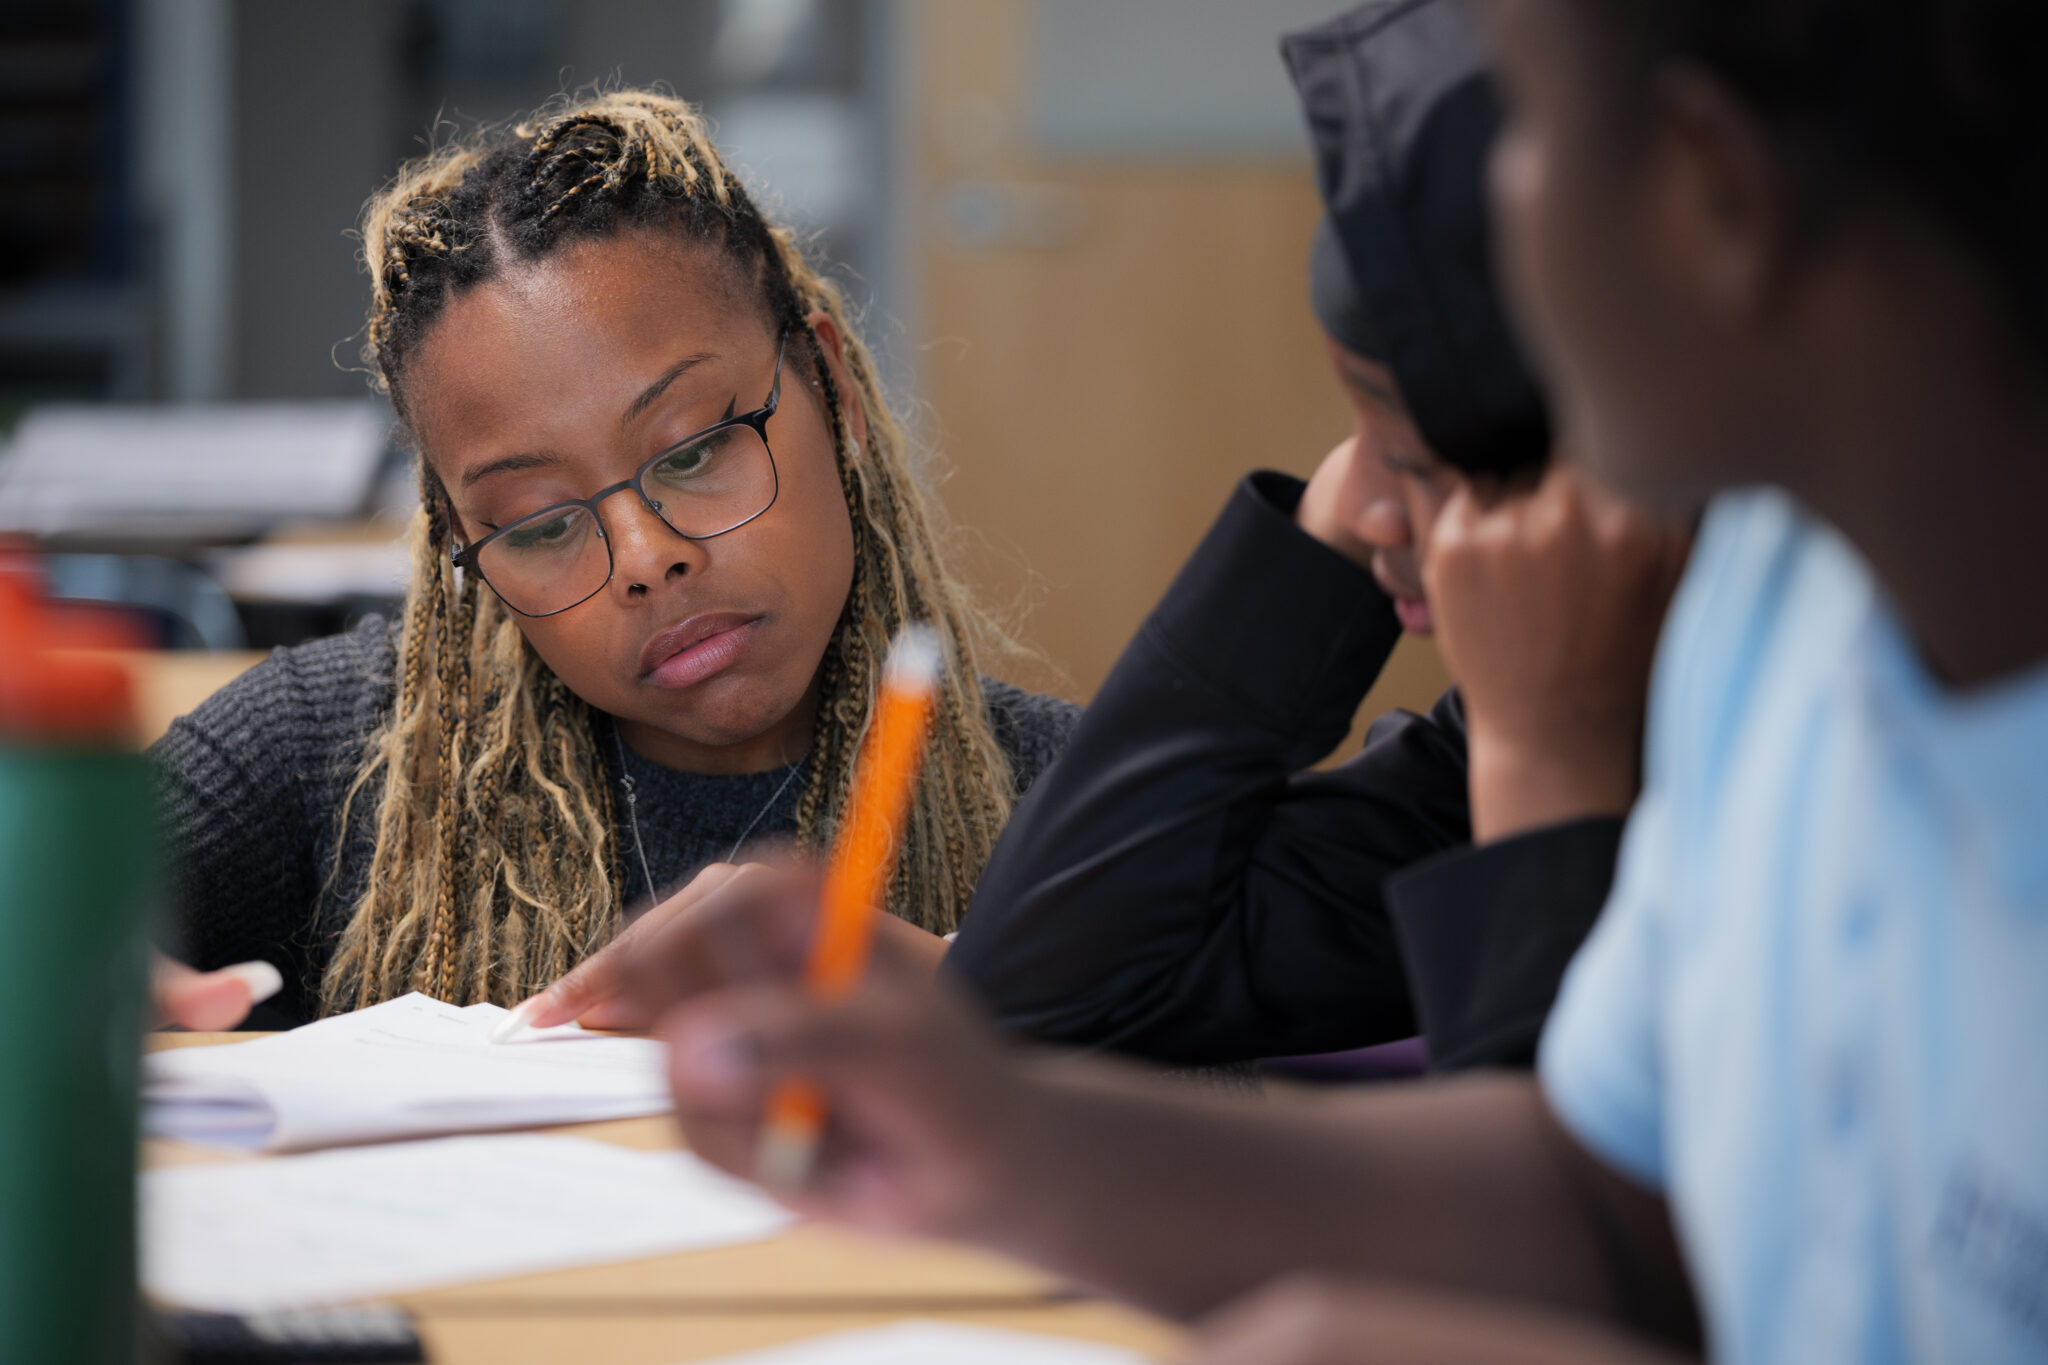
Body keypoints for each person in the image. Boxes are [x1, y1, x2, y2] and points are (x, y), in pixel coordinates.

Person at [622, 0, 2048, 1358]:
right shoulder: (1771, 614)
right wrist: (1004, 1141)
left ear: (1711, 192)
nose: (1485, 192)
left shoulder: (1698, 624)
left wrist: (1546, 759)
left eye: (1527, 120)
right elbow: (1609, 1207)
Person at [152, 90, 1075, 1028]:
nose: (645, 557)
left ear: (830, 385)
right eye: (540, 523)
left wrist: (988, 998)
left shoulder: (1071, 804)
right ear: (464, 545)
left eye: (694, 452)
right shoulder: (324, 755)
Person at [948, 0, 1689, 1071]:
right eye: (1354, 431)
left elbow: (1561, 1171)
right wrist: (1325, 533)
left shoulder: (1770, 730)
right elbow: (1036, 995)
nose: (1356, 492)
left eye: (1419, 453)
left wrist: (1546, 767)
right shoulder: (1570, 706)